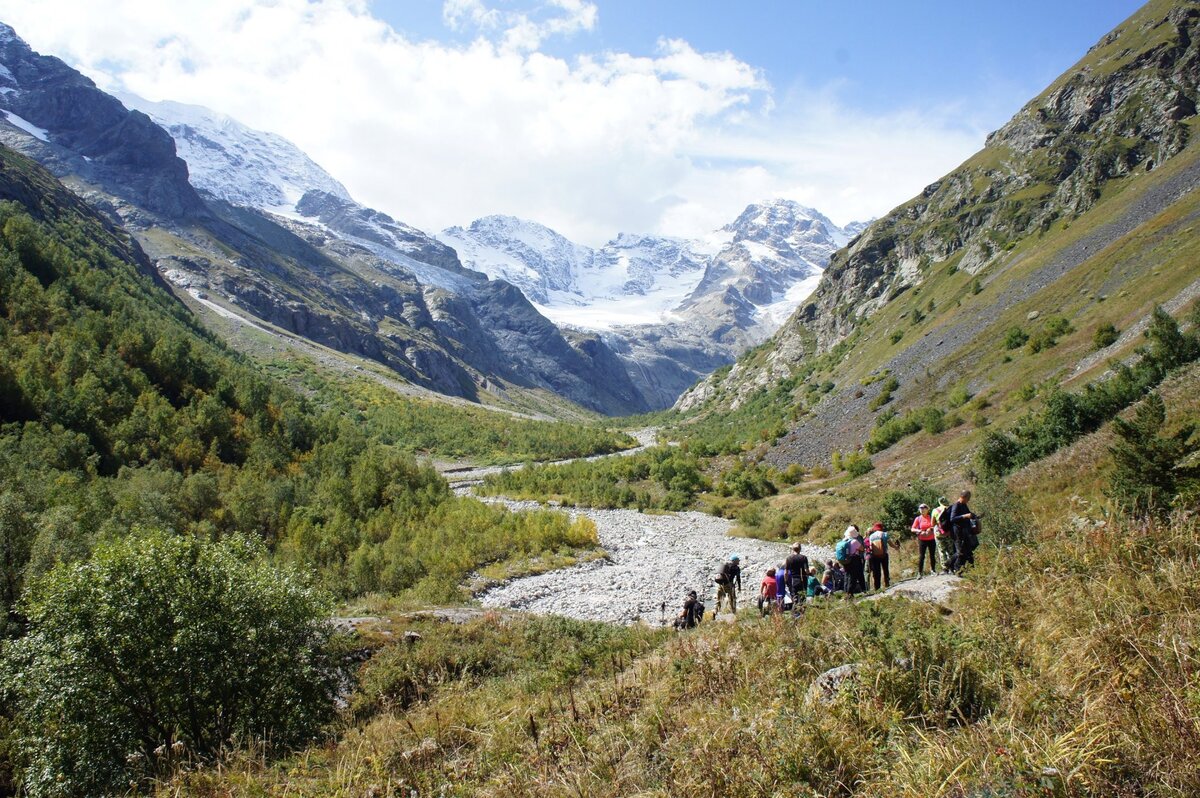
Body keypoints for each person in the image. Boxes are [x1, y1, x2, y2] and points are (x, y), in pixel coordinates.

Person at [947, 491, 978, 573]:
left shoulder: (964, 505)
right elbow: (952, 519)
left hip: (965, 531)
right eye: (968, 498)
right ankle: (953, 567)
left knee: (968, 549)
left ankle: (972, 568)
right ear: (964, 497)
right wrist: (965, 516)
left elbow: (969, 514)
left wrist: (975, 516)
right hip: (957, 532)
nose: (969, 500)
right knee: (960, 552)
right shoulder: (956, 505)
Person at [911, 503, 938, 577]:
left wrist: (930, 529)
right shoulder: (918, 518)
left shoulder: (931, 517)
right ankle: (920, 572)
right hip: (922, 539)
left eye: (923, 508)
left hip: (931, 539)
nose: (922, 509)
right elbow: (912, 529)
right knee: (921, 556)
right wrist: (919, 531)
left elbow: (935, 525)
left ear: (927, 509)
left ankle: (933, 570)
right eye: (920, 508)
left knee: (932, 555)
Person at [866, 522, 892, 591]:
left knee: (876, 571)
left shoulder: (871, 536)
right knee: (885, 569)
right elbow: (890, 543)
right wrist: (896, 547)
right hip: (884, 554)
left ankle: (877, 587)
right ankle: (887, 583)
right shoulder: (885, 534)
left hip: (875, 556)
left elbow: (871, 546)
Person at [785, 543, 809, 612]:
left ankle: (795, 615)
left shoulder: (789, 558)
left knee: (795, 597)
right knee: (802, 597)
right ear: (800, 549)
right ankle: (802, 614)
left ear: (792, 549)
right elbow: (806, 570)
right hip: (802, 579)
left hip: (793, 580)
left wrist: (786, 581)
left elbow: (786, 572)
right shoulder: (803, 558)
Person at [932, 496, 953, 573]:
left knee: (942, 551)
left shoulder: (935, 510)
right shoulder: (950, 509)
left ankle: (945, 568)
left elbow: (932, 523)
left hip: (939, 533)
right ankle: (952, 566)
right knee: (950, 551)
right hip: (949, 533)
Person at [844, 526, 867, 595]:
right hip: (855, 559)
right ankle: (862, 590)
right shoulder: (854, 541)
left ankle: (847, 591)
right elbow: (862, 549)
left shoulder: (844, 540)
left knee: (848, 575)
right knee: (859, 574)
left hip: (846, 559)